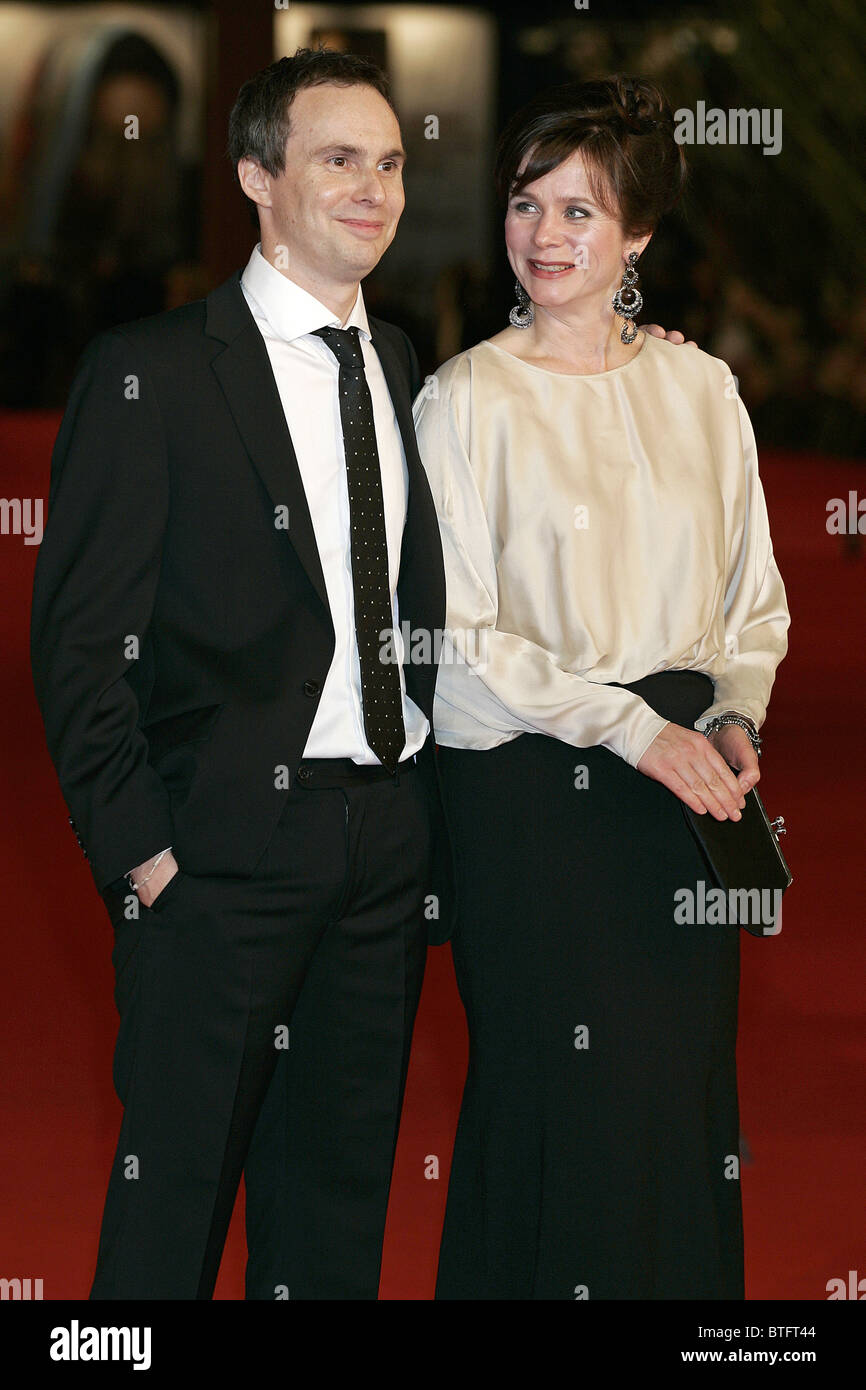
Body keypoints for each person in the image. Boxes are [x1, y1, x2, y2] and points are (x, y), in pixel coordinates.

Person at [30, 48, 451, 1300]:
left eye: (388, 163)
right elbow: (77, 647)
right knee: (168, 1229)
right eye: (337, 159)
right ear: (257, 174)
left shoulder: (405, 366)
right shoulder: (149, 369)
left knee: (333, 1223)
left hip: (381, 845)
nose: (373, 189)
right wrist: (147, 861)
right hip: (214, 860)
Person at [413, 76, 790, 1300]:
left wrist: (732, 713)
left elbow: (754, 604)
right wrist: (630, 728)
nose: (545, 236)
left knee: (677, 1099)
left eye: (581, 211)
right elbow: (460, 642)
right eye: (527, 204)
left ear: (635, 236)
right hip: (534, 797)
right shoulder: (463, 398)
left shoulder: (700, 391)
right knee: (556, 1092)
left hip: (681, 797)